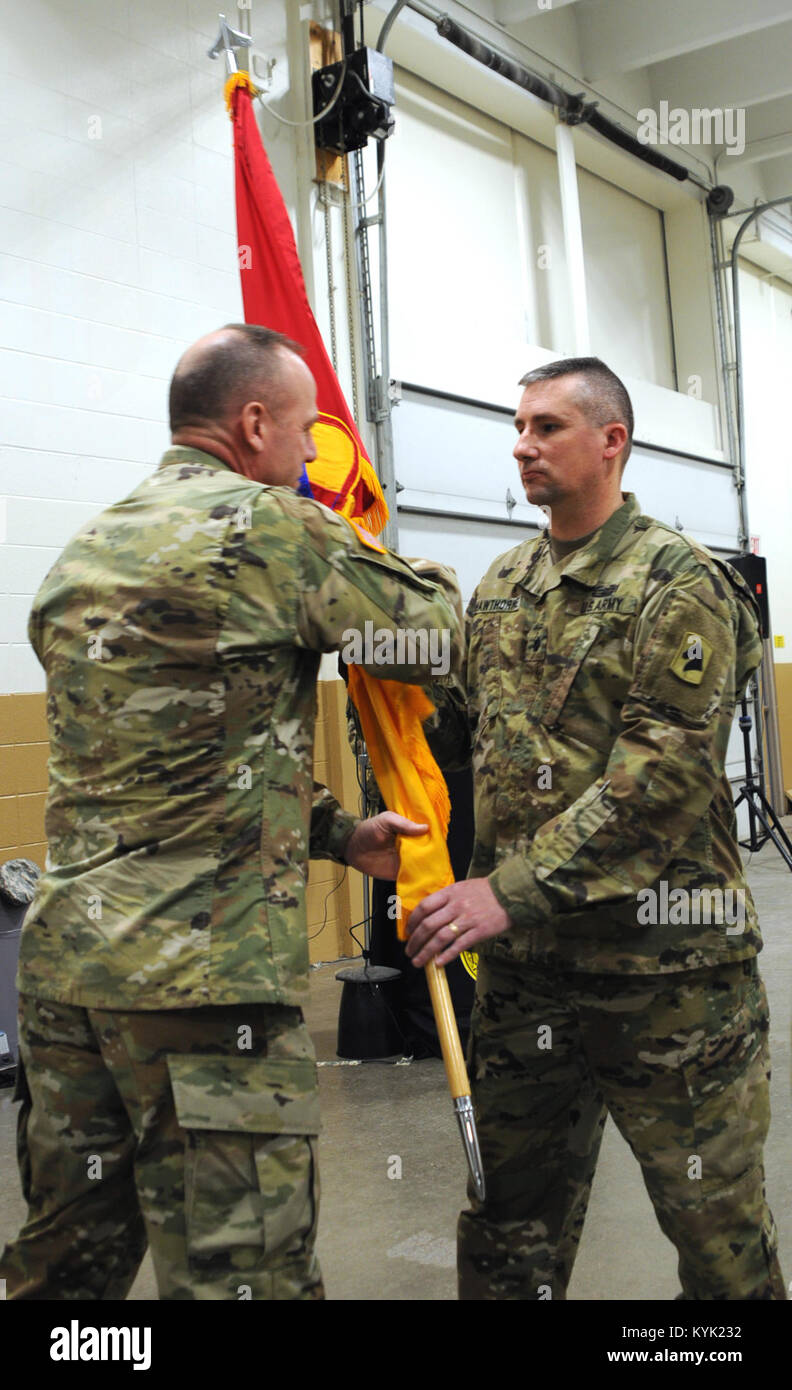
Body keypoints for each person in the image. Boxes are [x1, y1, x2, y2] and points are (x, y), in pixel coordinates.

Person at [0, 324, 462, 1301]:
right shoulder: (273, 530)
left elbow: (169, 757)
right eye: (303, 434)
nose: (309, 458)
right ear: (254, 423)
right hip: (206, 992)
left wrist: (337, 832)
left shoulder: (81, 553)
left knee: (63, 1269)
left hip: (66, 981)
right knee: (242, 1273)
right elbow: (432, 638)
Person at [406, 356, 786, 1301]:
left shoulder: (678, 583)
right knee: (506, 1228)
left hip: (667, 983)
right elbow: (457, 743)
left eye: (546, 427)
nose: (521, 445)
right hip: (530, 984)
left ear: (611, 441)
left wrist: (505, 892)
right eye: (520, 426)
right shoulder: (501, 587)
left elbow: (659, 780)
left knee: (718, 1237)